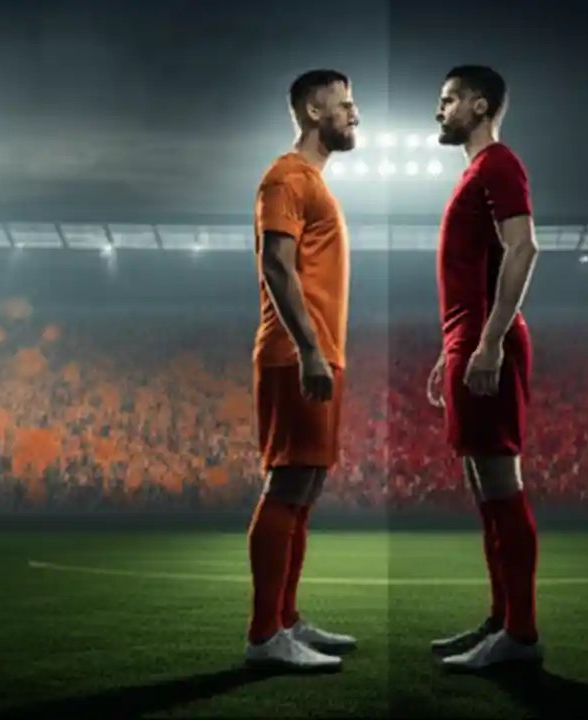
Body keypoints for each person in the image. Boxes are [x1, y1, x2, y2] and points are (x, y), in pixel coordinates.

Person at [426, 65, 543, 671]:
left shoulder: (499, 163)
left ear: (479, 104)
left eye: (449, 99)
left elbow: (524, 247)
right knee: (486, 495)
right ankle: (501, 623)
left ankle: (521, 636)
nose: (440, 109)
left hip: (485, 345)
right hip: (467, 343)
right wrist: (448, 349)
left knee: (502, 488)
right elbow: (473, 273)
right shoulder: (475, 173)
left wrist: (489, 342)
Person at [244, 69, 359, 671]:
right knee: (288, 485)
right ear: (315, 112)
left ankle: (286, 620)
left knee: (306, 489)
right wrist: (310, 349)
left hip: (317, 352)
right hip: (295, 353)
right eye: (345, 104)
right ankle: (265, 635)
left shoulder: (312, 182)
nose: (355, 114)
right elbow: (277, 266)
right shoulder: (286, 177)